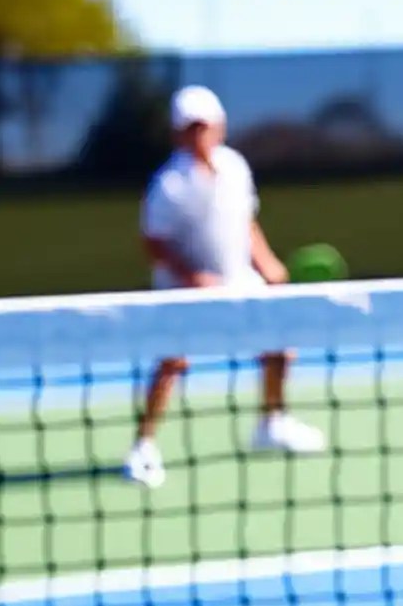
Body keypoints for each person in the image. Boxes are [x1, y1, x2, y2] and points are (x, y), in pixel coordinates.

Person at [124, 85, 325, 488]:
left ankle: (271, 423)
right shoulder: (168, 184)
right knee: (172, 363)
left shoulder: (235, 167)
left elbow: (247, 222)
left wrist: (266, 261)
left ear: (220, 127)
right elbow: (154, 243)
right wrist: (193, 278)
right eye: (190, 128)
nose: (199, 134)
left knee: (280, 347)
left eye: (205, 126)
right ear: (178, 133)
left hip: (239, 280)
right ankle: (143, 445)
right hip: (183, 290)